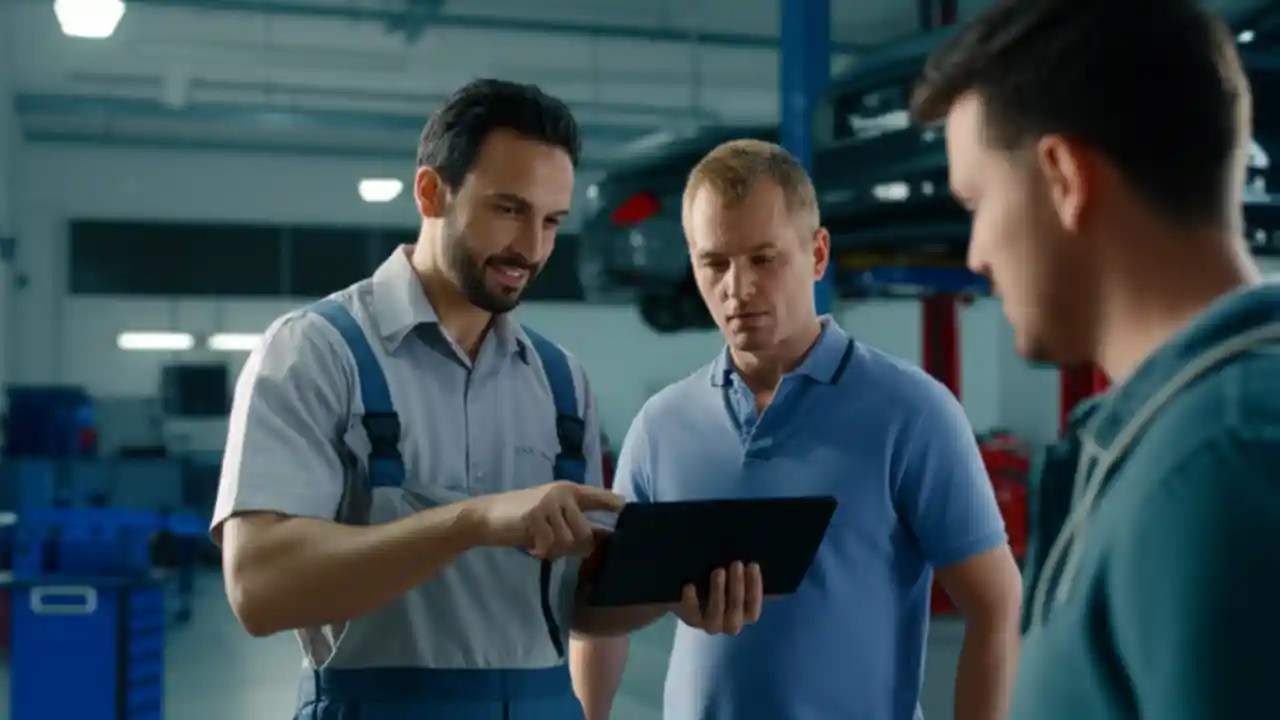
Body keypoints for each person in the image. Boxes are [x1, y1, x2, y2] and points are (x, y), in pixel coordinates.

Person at [211, 78, 757, 720]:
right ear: (430, 192)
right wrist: (472, 522)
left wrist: (674, 589)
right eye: (508, 209)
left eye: (551, 221)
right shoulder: (315, 353)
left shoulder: (560, 382)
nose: (531, 248)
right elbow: (259, 589)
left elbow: (572, 606)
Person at [910, 1, 1280, 717]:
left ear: (1064, 178)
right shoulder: (1170, 442)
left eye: (977, 201)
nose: (976, 254)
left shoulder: (1215, 468)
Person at [571, 138, 1024, 720]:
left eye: (764, 259)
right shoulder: (662, 426)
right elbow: (606, 610)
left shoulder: (910, 412)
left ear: (816, 254)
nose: (738, 288)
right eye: (715, 263)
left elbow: (996, 605)